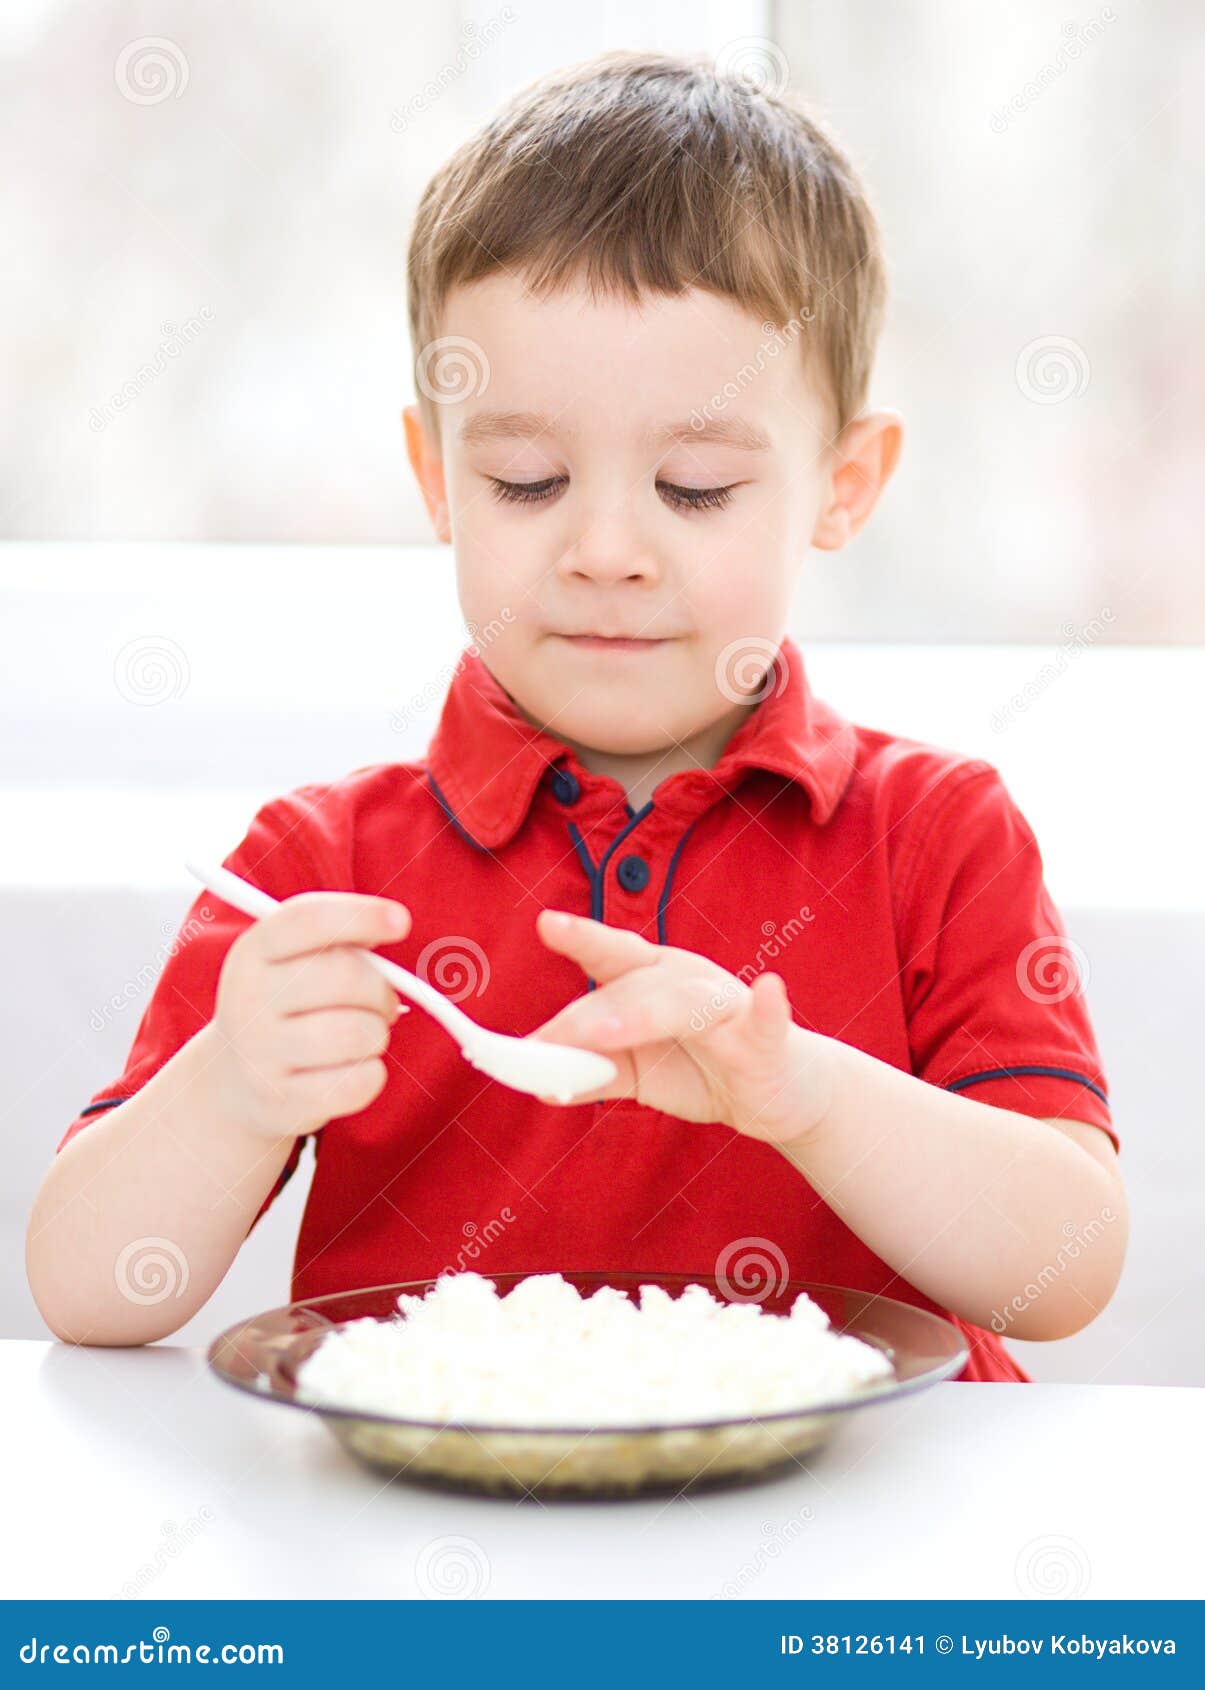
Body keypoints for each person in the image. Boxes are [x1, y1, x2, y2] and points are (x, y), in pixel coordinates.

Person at [27, 53, 1127, 1379]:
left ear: (842, 486)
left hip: (859, 1557)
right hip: (436, 1557)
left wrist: (810, 1098)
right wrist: (229, 1088)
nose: (606, 548)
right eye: (528, 479)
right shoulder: (320, 869)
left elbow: (1065, 1271)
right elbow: (88, 1291)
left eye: (695, 486)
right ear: (437, 477)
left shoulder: (937, 834)